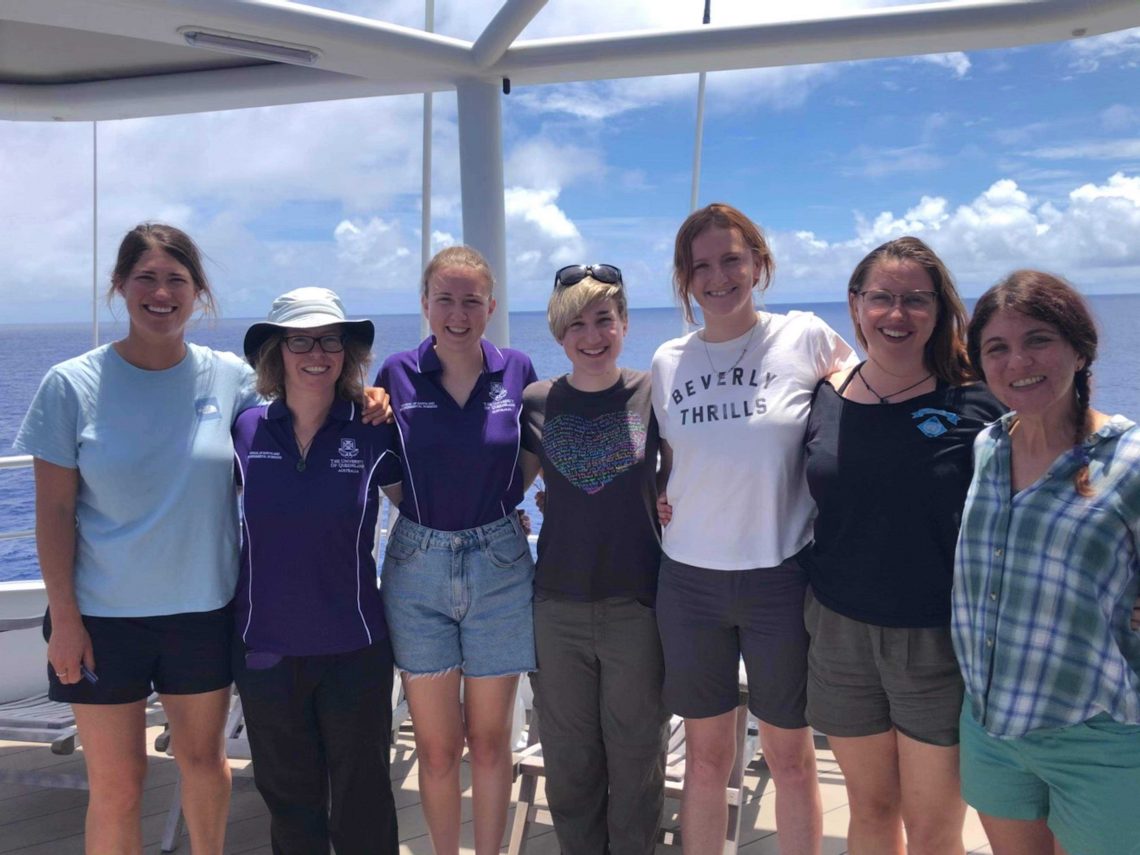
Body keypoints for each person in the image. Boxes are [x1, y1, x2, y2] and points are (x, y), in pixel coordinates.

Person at [13, 223, 257, 855]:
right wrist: (64, 617)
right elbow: (54, 511)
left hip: (201, 611)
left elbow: (307, 402)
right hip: (100, 618)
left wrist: (369, 397)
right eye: (145, 277)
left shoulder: (230, 378)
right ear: (119, 286)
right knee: (119, 786)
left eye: (176, 279)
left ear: (198, 294)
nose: (160, 292)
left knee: (205, 765)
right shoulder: (70, 384)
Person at [651, 203, 856, 854]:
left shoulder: (806, 338)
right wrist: (650, 494)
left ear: (759, 263)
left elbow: (878, 403)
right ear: (685, 279)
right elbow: (651, 454)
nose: (718, 276)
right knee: (706, 761)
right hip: (688, 582)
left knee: (788, 755)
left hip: (779, 577)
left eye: (732, 259)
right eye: (701, 265)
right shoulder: (665, 361)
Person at [801, 237, 1003, 854]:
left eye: (916, 300)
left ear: (941, 310)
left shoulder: (979, 399)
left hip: (935, 636)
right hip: (837, 629)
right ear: (855, 305)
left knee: (934, 827)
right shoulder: (825, 395)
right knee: (870, 810)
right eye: (882, 298)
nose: (897, 314)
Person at [954, 270, 1140, 855]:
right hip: (990, 726)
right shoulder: (987, 447)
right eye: (997, 347)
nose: (1018, 361)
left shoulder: (1129, 460)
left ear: (1080, 349)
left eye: (1038, 339)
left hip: (1098, 738)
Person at [377, 246, 539, 855]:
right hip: (417, 567)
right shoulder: (395, 373)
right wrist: (419, 516)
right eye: (445, 298)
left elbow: (533, 448)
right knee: (438, 747)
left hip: (499, 564)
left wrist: (503, 504)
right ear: (425, 304)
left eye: (472, 300)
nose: (458, 312)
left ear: (491, 307)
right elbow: (382, 460)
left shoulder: (516, 369)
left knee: (491, 740)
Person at [231, 287, 403, 854]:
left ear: (346, 352)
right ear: (276, 352)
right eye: (299, 340)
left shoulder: (375, 426)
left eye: (330, 339)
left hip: (354, 645)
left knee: (364, 801)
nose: (317, 352)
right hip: (266, 648)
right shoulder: (245, 430)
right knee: (290, 802)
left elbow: (428, 499)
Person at [521, 265, 670, 854]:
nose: (592, 335)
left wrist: (671, 498)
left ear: (624, 323)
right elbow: (510, 483)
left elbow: (690, 468)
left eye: (603, 319)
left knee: (638, 757)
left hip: (636, 601)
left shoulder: (653, 390)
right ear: (560, 335)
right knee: (569, 759)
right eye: (576, 324)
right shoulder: (537, 400)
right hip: (556, 602)